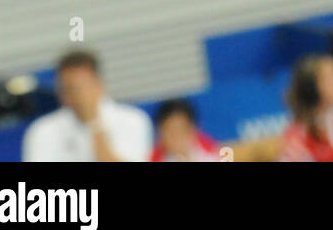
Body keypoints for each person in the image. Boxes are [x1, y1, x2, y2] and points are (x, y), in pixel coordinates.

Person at [22, 50, 153, 161]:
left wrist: (94, 123)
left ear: (99, 85)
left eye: (82, 87)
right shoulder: (42, 130)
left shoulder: (133, 120)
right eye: (69, 88)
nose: (77, 95)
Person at [151, 98, 219, 161]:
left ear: (194, 129)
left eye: (182, 131)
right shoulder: (156, 157)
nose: (177, 138)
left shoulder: (208, 150)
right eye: (171, 133)